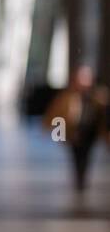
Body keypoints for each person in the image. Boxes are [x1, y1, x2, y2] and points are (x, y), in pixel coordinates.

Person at [44, 65, 109, 194]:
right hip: (74, 132)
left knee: (86, 155)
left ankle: (82, 177)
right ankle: (79, 177)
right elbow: (56, 113)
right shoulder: (67, 97)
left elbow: (103, 116)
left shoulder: (96, 97)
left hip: (89, 132)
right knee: (77, 155)